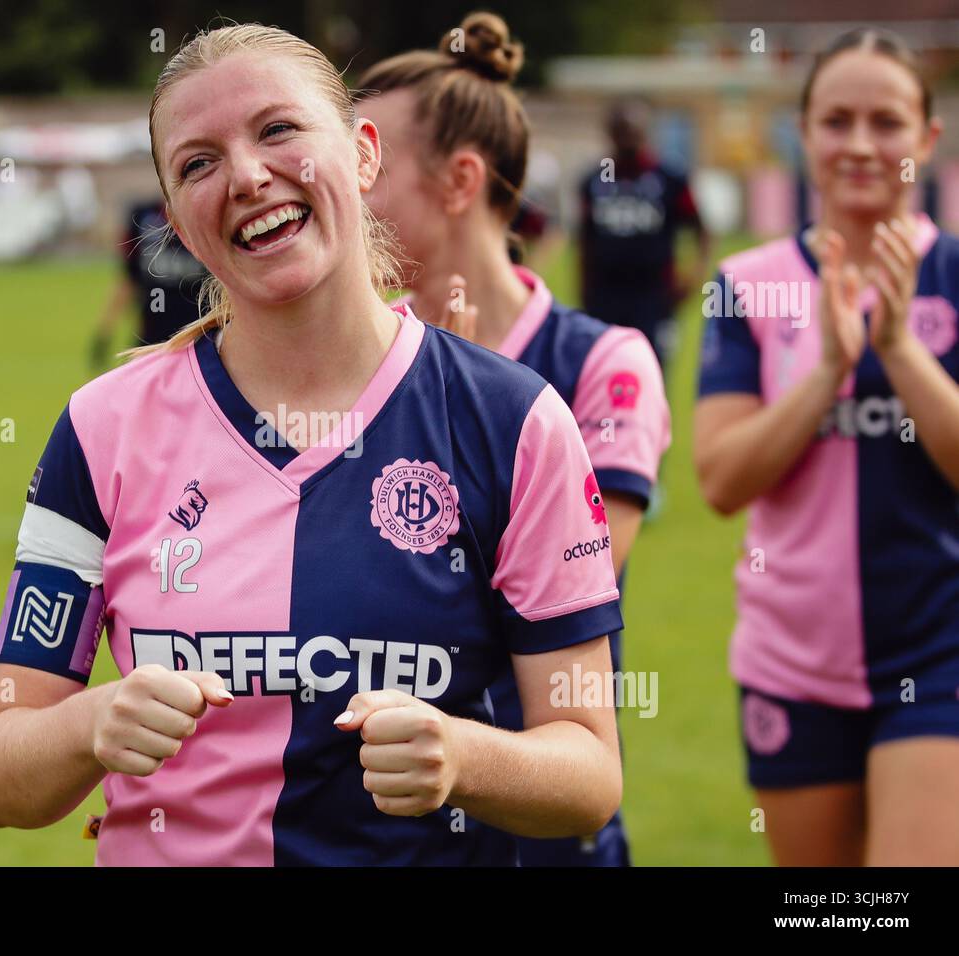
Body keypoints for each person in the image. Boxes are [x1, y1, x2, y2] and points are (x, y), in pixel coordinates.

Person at [0, 22, 625, 866]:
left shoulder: (517, 421)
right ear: (177, 219)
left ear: (362, 154)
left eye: (278, 130)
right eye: (198, 164)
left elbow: (589, 776)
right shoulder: (102, 427)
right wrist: (90, 724)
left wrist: (463, 758)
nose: (245, 175)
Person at [356, 11, 669, 866]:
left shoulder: (604, 360)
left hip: (542, 811)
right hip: (376, 818)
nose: (340, 188)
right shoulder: (345, 366)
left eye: (368, 161)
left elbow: (586, 571)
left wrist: (470, 410)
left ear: (460, 179)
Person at [695, 28, 959, 866]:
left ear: (926, 140)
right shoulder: (747, 284)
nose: (858, 144)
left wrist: (901, 351)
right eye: (835, 120)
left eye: (885, 122)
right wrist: (829, 373)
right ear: (802, 134)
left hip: (941, 652)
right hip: (793, 661)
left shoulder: (955, 275)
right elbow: (722, 478)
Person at [577, 97, 710, 368]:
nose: (628, 138)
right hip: (604, 297)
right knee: (603, 370)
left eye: (633, 130)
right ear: (610, 133)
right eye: (621, 131)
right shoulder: (594, 180)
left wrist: (694, 275)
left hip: (654, 298)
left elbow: (701, 229)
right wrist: (583, 288)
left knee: (653, 369)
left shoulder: (668, 178)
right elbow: (584, 239)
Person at [89, 199, 209, 368]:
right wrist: (105, 330)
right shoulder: (143, 217)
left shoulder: (205, 217)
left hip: (200, 336)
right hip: (152, 336)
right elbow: (129, 278)